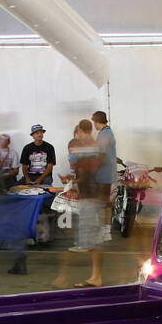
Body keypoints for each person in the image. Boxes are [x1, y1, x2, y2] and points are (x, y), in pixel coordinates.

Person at [51, 120, 109, 289]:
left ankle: (63, 277)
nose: (77, 137)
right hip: (92, 198)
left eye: (78, 133)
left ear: (83, 132)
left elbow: (88, 175)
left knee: (77, 243)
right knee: (93, 242)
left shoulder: (88, 150)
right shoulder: (94, 149)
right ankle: (95, 276)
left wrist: (72, 179)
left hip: (90, 199)